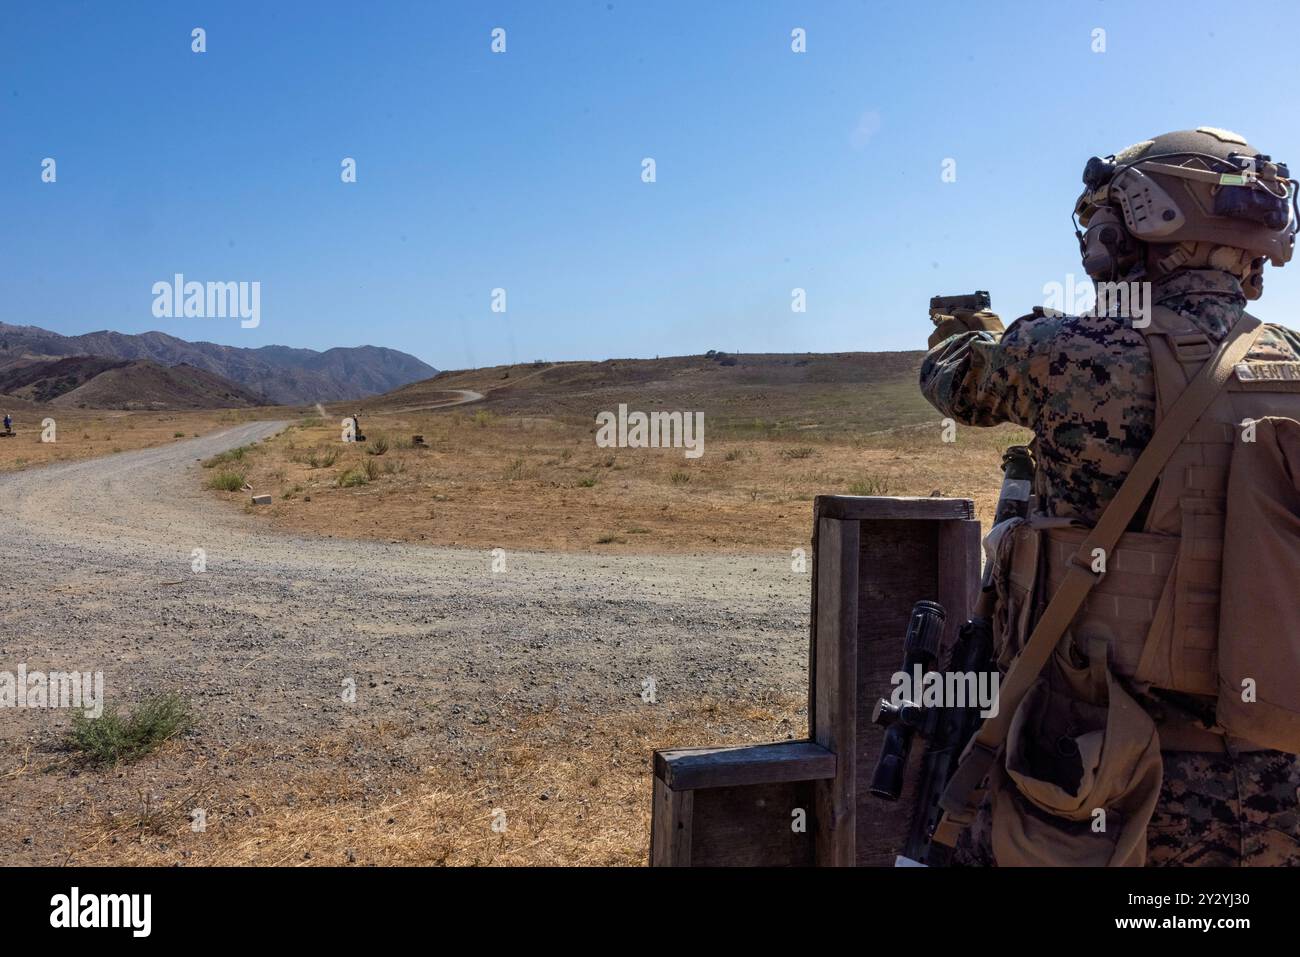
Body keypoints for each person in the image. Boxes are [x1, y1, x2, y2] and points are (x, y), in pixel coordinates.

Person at [921, 128, 1300, 866]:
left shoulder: (1070, 351)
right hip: (1278, 785)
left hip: (1105, 775)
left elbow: (953, 380)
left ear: (1123, 233)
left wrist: (968, 332)